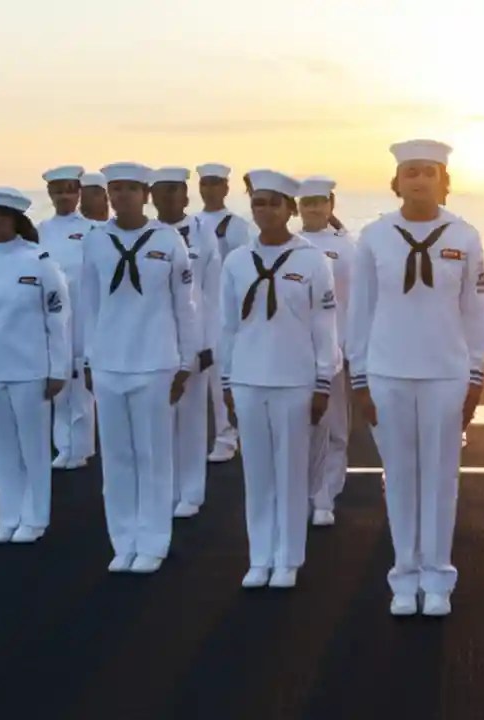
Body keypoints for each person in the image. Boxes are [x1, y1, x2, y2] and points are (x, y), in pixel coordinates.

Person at [348, 139, 484, 617]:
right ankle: (404, 576)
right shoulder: (373, 237)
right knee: (400, 478)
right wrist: (360, 378)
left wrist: (474, 376)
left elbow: (475, 313)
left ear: (445, 182)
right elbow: (360, 312)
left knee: (441, 479)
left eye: (429, 172)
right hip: (388, 373)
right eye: (411, 172)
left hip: (445, 374)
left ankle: (438, 577)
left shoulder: (465, 237)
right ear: (395, 182)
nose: (420, 180)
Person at [81, 162, 199, 573]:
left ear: (145, 194)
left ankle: (153, 540)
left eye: (131, 188)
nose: (123, 196)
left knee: (151, 455)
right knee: (116, 458)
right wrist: (87, 359)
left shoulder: (168, 241)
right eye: (116, 189)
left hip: (155, 362)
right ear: (107, 195)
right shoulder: (95, 241)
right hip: (110, 363)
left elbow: (184, 306)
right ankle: (123, 540)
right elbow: (89, 306)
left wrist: (186, 361)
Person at [221, 170, 337, 588]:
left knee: (291, 472)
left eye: (273, 202)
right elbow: (228, 326)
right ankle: (260, 556)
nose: (265, 210)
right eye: (258, 203)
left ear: (290, 208)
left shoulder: (311, 261)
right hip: (249, 378)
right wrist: (227, 380)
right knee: (257, 472)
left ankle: (288, 558)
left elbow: (325, 326)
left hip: (295, 379)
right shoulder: (236, 261)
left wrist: (324, 381)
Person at [0, 187, 71, 543]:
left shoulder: (39, 261)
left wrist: (58, 369)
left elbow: (58, 318)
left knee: (33, 448)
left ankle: (35, 519)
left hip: (31, 369)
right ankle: (8, 518)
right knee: (2, 447)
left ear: (16, 219)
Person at [151, 167, 219, 518]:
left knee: (192, 419)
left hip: (195, 340)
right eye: (162, 191)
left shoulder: (203, 234)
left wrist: (208, 343)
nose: (169, 198)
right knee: (160, 421)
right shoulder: (145, 236)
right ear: (151, 196)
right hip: (157, 342)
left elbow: (213, 292)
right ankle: (166, 488)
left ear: (186, 196)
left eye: (175, 191)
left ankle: (191, 492)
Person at [296, 175, 355, 526]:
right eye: (307, 203)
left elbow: (357, 300)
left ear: (331, 205)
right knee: (300, 427)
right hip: (294, 352)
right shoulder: (288, 244)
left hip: (334, 349)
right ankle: (300, 493)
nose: (314, 208)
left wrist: (351, 346)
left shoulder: (346, 247)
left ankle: (325, 496)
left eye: (320, 201)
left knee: (334, 428)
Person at [38, 165, 99, 471]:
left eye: (68, 190)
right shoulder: (42, 231)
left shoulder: (92, 230)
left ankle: (82, 446)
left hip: (83, 313)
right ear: (50, 194)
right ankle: (63, 445)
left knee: (81, 381)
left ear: (78, 193)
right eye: (57, 190)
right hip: (53, 315)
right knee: (58, 381)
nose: (63, 196)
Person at [196, 163, 251, 464]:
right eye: (205, 183)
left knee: (221, 380)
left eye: (216, 183)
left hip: (224, 311)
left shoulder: (236, 225)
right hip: (195, 310)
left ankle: (227, 437)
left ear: (226, 188)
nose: (210, 189)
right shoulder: (191, 223)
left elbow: (246, 269)